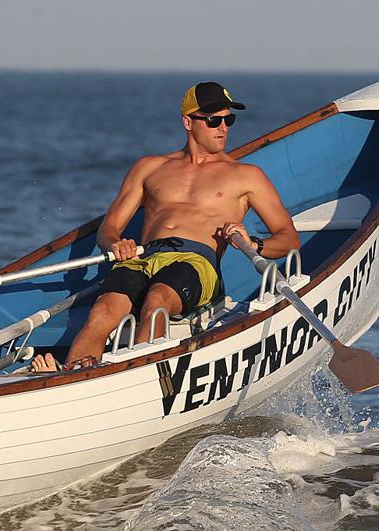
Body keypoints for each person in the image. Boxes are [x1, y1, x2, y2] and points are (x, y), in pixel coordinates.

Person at [32, 82, 300, 372]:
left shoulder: (247, 176)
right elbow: (108, 228)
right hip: (143, 258)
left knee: (157, 299)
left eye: (228, 119)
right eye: (213, 120)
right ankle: (77, 373)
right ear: (188, 122)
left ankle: (135, 376)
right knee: (103, 309)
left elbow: (289, 240)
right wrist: (115, 244)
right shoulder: (149, 168)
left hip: (196, 262)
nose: (223, 128)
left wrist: (255, 244)